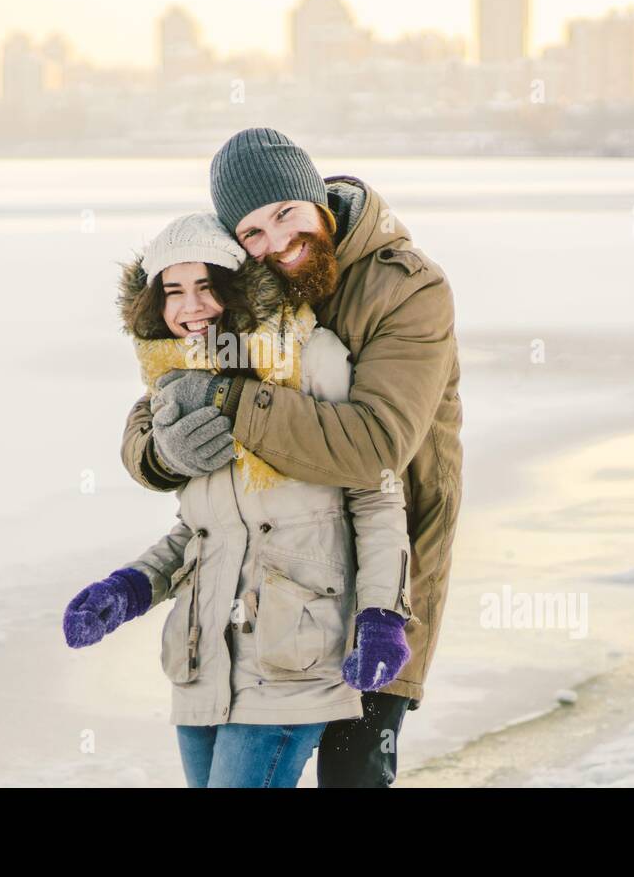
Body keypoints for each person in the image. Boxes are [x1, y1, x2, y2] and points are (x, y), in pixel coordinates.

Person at [120, 129, 463, 787]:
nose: (277, 241)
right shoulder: (249, 294)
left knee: (353, 777)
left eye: (286, 214)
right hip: (271, 591)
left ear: (319, 204)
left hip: (386, 574)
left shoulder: (408, 288)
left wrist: (226, 396)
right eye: (252, 231)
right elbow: (160, 397)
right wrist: (161, 450)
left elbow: (374, 447)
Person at [64, 212, 414, 788]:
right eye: (173, 291)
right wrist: (130, 586)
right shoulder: (177, 385)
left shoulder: (311, 358)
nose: (190, 306)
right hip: (202, 662)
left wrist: (381, 616)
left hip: (293, 658)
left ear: (237, 287)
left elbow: (374, 497)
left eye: (206, 285)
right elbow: (203, 530)